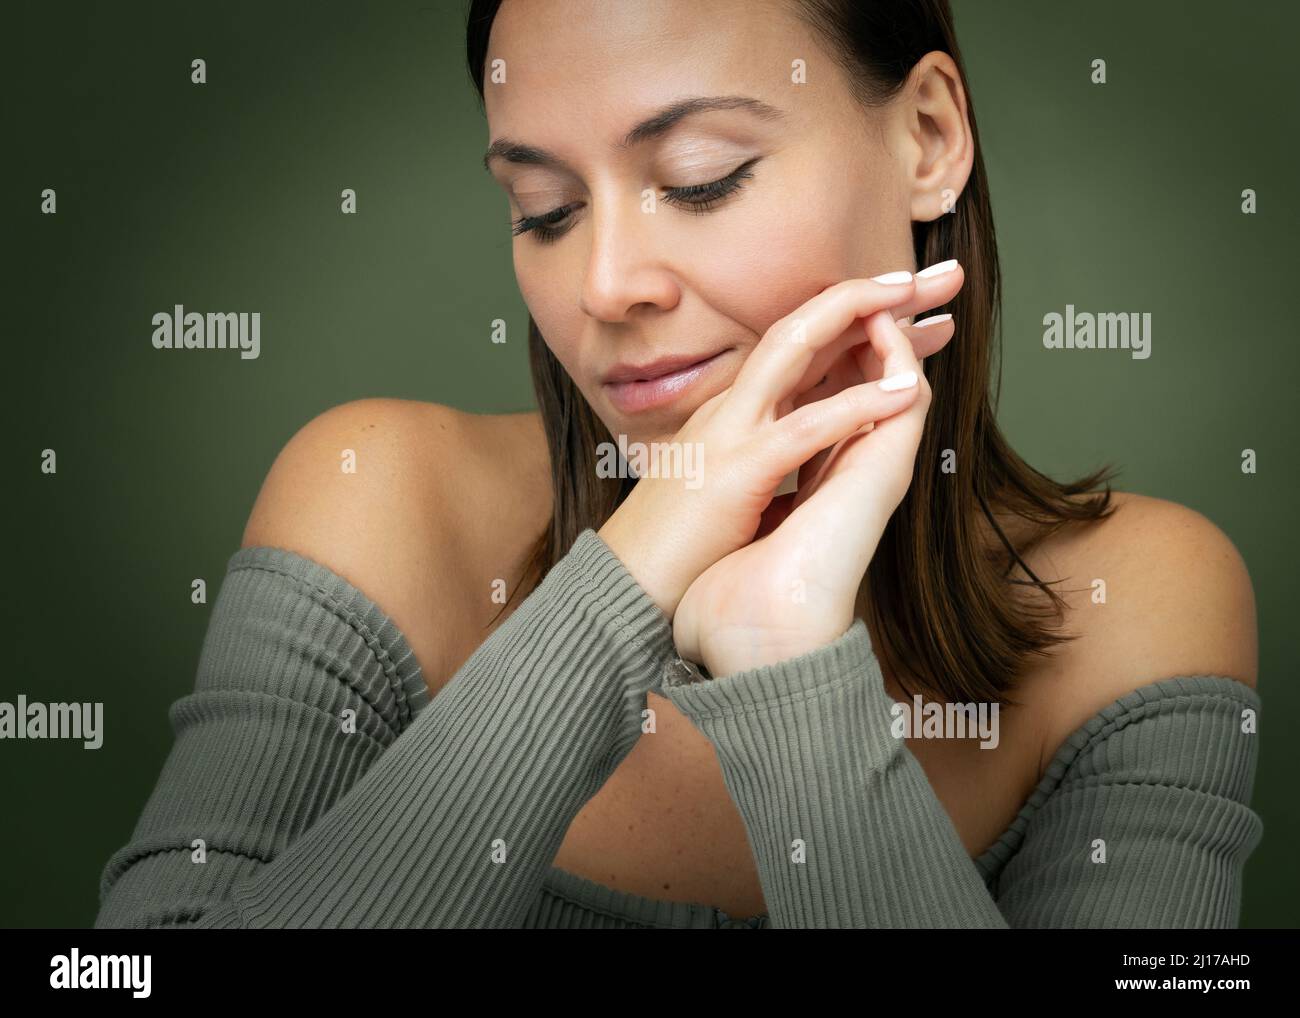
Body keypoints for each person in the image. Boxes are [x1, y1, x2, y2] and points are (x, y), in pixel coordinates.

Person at [94, 0, 1261, 929]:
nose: (606, 287)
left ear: (928, 139)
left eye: (702, 177)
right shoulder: (381, 497)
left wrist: (787, 671)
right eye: (544, 211)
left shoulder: (1140, 602)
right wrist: (626, 578)